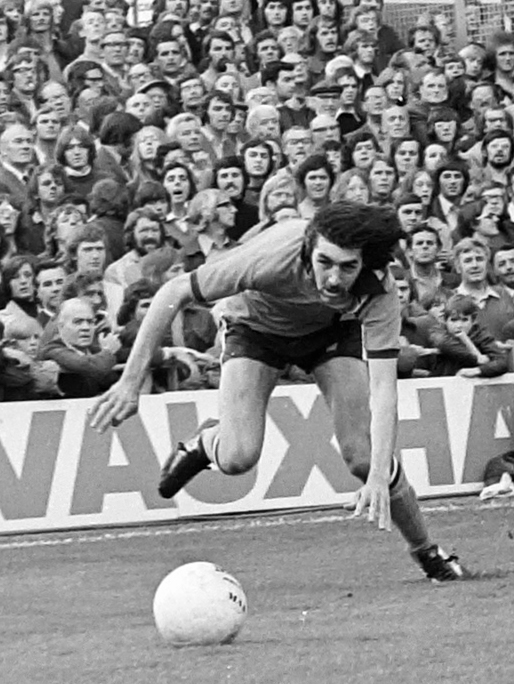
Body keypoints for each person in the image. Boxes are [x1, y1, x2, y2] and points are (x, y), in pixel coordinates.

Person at [88, 201, 469, 582]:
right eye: (324, 262)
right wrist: (130, 382)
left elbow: (384, 389)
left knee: (365, 458)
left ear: (365, 263)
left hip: (331, 333)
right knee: (238, 457)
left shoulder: (379, 289)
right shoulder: (272, 257)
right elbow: (173, 291)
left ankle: (427, 551)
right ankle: (206, 443)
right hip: (255, 329)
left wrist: (378, 477)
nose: (333, 279)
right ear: (308, 248)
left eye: (347, 267)